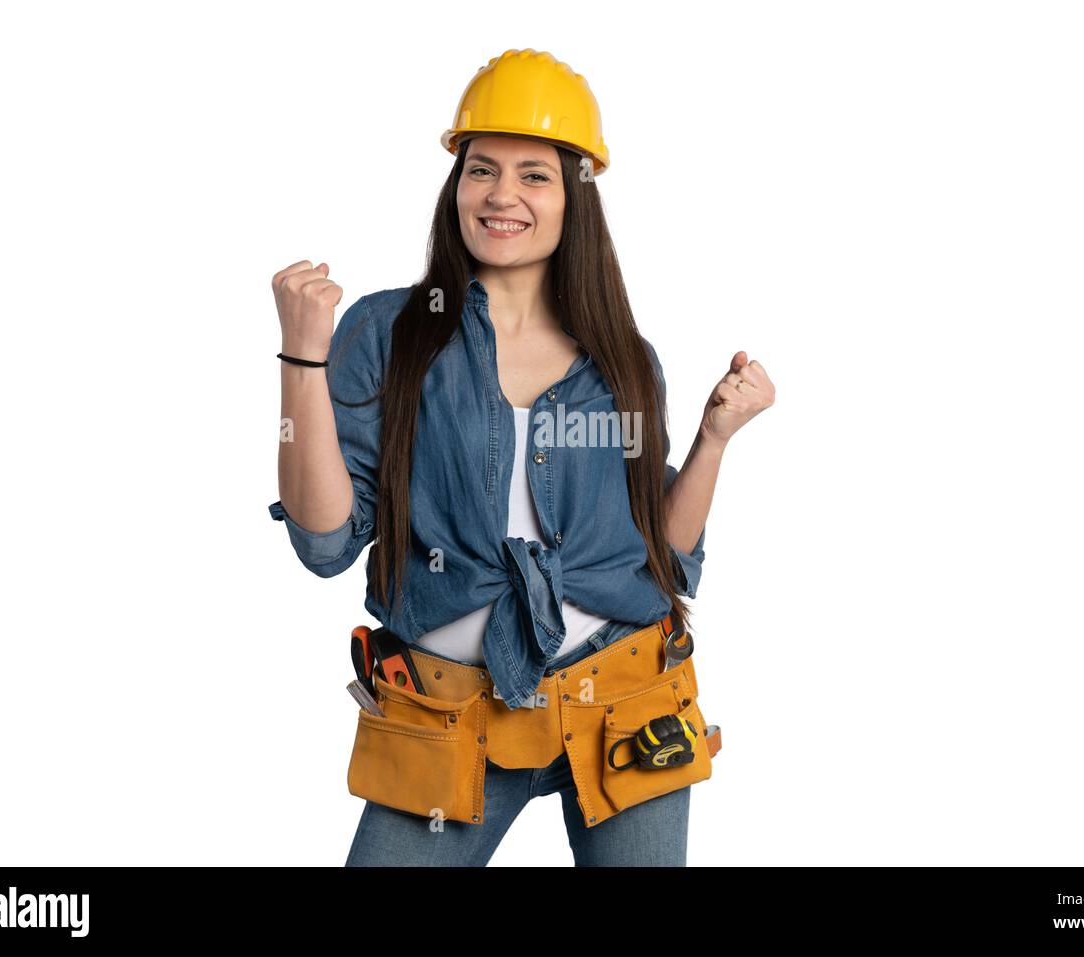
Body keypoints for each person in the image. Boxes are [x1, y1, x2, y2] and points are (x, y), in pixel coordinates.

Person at [268, 49, 774, 866]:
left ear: (574, 196)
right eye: (482, 170)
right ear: (455, 185)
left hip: (625, 707)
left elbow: (666, 559)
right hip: (445, 719)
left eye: (534, 174)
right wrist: (302, 360)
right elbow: (325, 542)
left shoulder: (623, 360)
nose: (502, 195)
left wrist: (714, 440)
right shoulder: (388, 333)